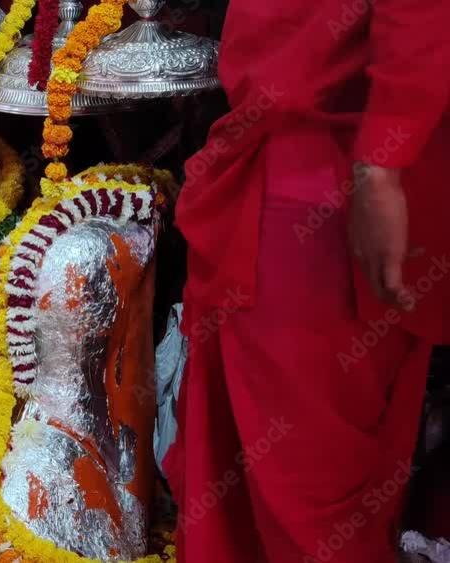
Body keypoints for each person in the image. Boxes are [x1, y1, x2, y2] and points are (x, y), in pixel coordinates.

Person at [164, 1, 450, 563]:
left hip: (329, 188)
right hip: (317, 169)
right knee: (286, 477)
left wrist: (381, 165)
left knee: (308, 489)